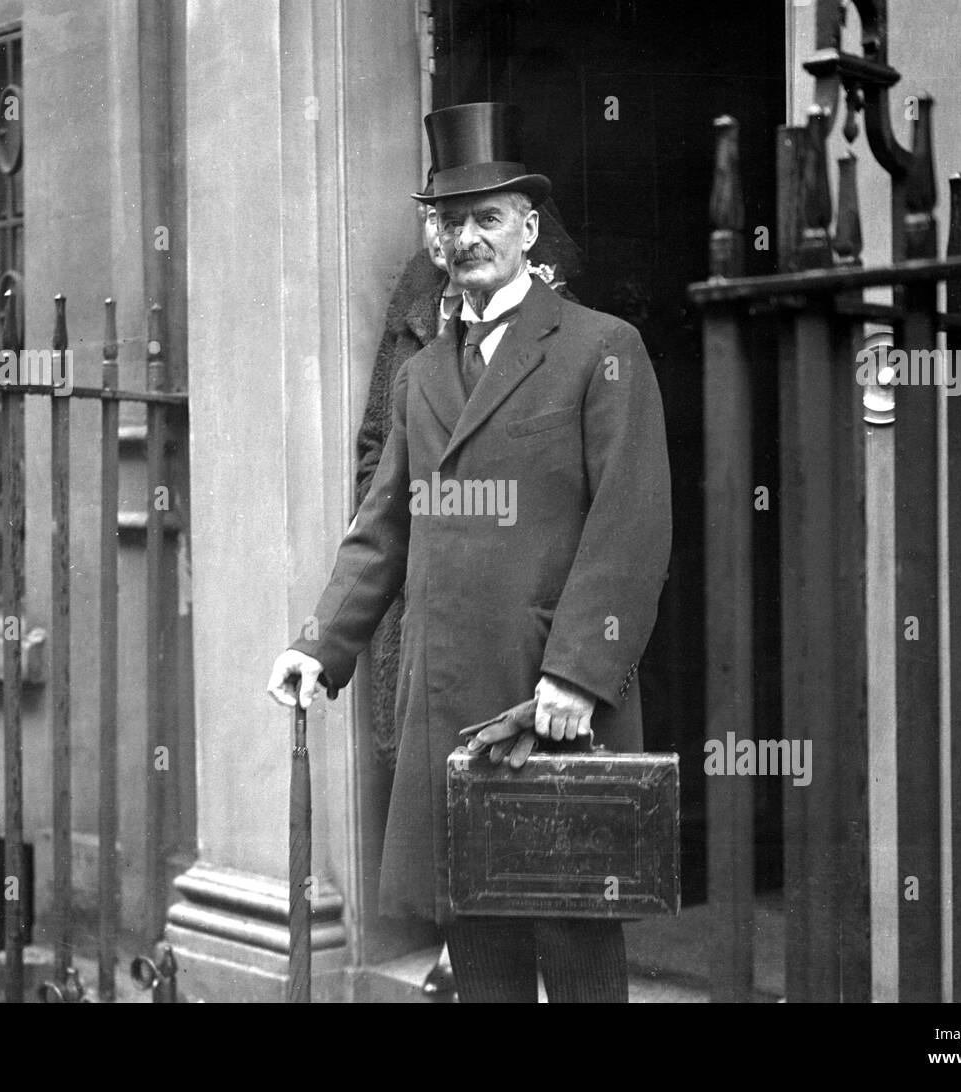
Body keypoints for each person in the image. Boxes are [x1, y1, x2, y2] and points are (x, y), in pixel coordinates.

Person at [268, 101, 670, 1003]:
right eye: (451, 221)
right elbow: (384, 525)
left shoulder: (602, 349)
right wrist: (319, 643)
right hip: (447, 699)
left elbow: (631, 524)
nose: (468, 236)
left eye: (488, 217)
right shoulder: (421, 374)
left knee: (573, 946)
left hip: (551, 701)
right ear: (433, 238)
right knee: (478, 951)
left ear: (528, 228)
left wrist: (578, 673)